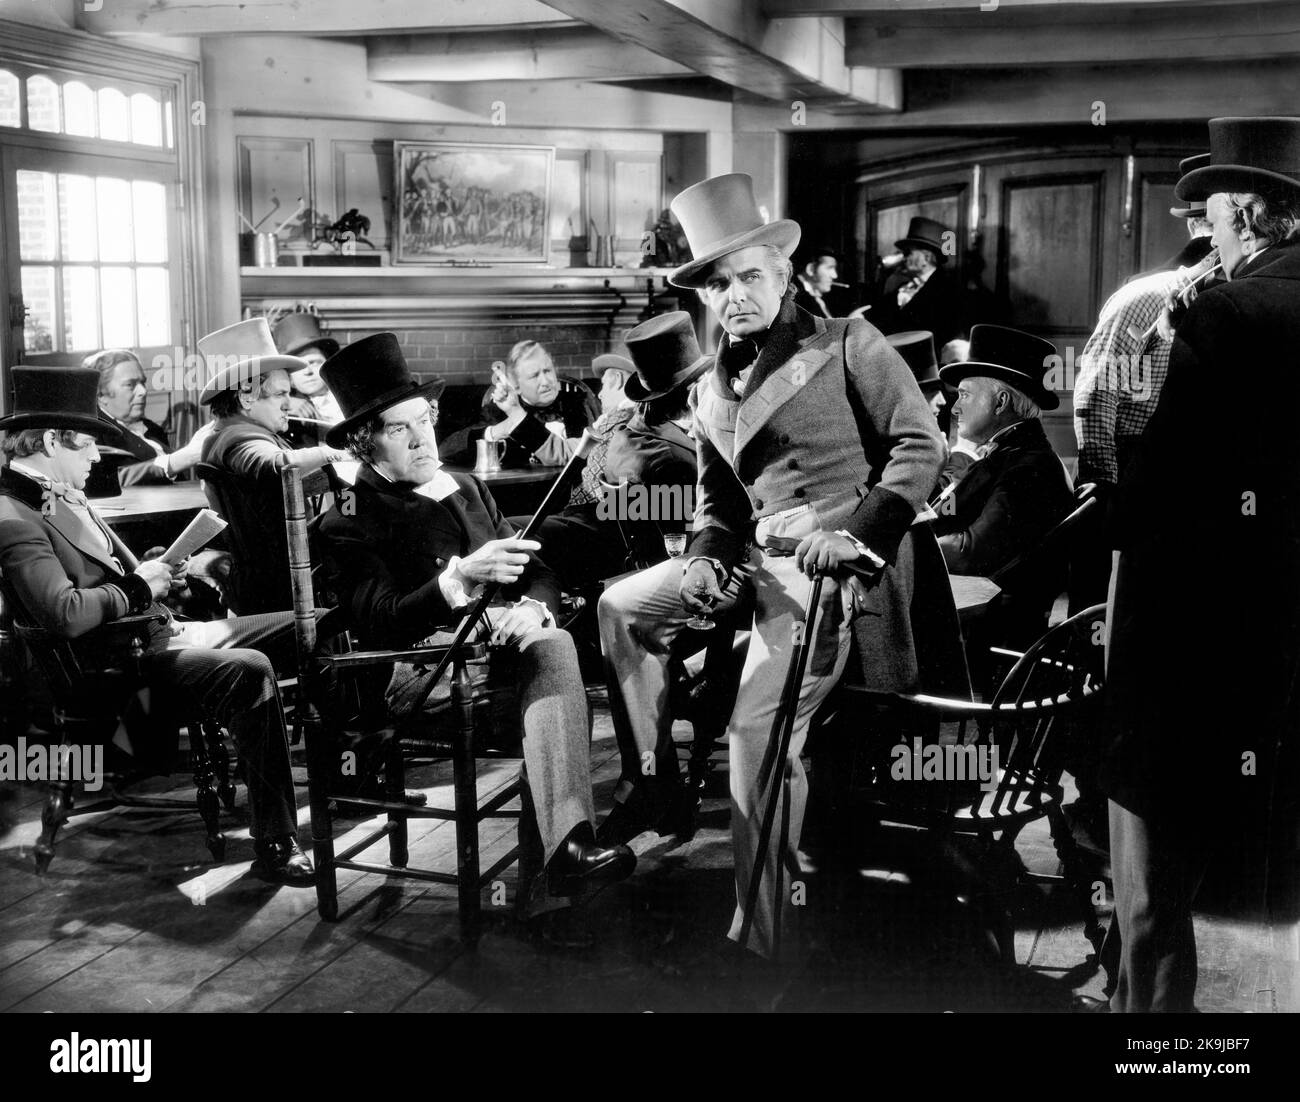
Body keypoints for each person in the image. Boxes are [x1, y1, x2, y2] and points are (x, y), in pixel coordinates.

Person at [598, 173, 968, 962]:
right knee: (620, 607)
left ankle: (763, 933)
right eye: (719, 284)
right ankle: (655, 779)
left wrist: (858, 532)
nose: (736, 297)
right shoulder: (708, 391)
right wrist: (701, 561)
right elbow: (719, 506)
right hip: (751, 560)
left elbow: (919, 446)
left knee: (755, 733)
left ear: (785, 274)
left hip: (831, 565)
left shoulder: (847, 343)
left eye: (751, 277)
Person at [312, 334, 635, 934]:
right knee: (556, 667)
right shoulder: (347, 520)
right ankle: (564, 857)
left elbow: (535, 565)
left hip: (500, 654)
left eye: (425, 422)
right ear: (365, 442)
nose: (422, 439)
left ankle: (562, 860)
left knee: (556, 642)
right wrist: (460, 580)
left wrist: (533, 611)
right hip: (419, 675)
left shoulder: (467, 486)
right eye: (399, 430)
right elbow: (379, 618)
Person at [1101, 117, 1300, 1013]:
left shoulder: (1223, 311)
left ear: (1249, 218)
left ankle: (1156, 1040)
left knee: (1153, 868)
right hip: (1278, 631)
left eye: (1216, 223)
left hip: (1197, 627)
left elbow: (1158, 483)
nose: (1209, 242)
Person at [0, 366, 313, 885]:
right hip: (115, 671)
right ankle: (276, 840)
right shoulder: (14, 515)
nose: (97, 457)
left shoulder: (58, 493)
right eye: (87, 446)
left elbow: (107, 578)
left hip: (156, 635)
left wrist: (161, 568)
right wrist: (142, 588)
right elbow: (66, 613)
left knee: (315, 624)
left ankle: (351, 776)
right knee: (251, 668)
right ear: (52, 440)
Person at [1070, 155, 1216, 610]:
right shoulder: (1149, 296)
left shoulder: (1223, 303)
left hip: (1182, 464)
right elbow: (1098, 390)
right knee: (1107, 598)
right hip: (1128, 458)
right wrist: (1105, 483)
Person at [197, 318, 351, 615]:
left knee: (359, 512)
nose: (288, 404)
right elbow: (277, 464)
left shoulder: (236, 433)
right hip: (281, 585)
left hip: (278, 574)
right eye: (281, 394)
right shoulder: (236, 437)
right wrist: (334, 454)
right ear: (245, 396)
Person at [933, 325, 1074, 579]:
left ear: (1001, 402)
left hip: (985, 614)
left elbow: (970, 553)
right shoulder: (1010, 455)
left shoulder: (1027, 469)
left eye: (964, 395)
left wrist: (899, 545)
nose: (954, 408)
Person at [439, 341, 600, 468]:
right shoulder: (499, 411)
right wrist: (495, 431)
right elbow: (446, 451)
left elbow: (595, 453)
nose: (546, 382)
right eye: (534, 376)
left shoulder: (579, 402)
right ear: (516, 385)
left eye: (548, 371)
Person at [85, 348, 213, 491]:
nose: (143, 391)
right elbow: (108, 481)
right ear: (101, 395)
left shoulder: (152, 429)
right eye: (130, 385)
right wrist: (184, 457)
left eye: (143, 383)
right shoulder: (92, 433)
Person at [870, 216, 965, 349]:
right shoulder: (900, 289)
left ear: (926, 258)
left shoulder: (949, 291)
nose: (904, 258)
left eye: (908, 252)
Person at [271, 312, 343, 426]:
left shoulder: (348, 397)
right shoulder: (283, 409)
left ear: (327, 365)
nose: (308, 372)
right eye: (298, 367)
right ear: (289, 377)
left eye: (313, 362)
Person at [791, 246, 868, 320]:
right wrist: (846, 324)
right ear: (811, 269)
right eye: (829, 268)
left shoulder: (818, 295)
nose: (835, 276)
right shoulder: (793, 297)